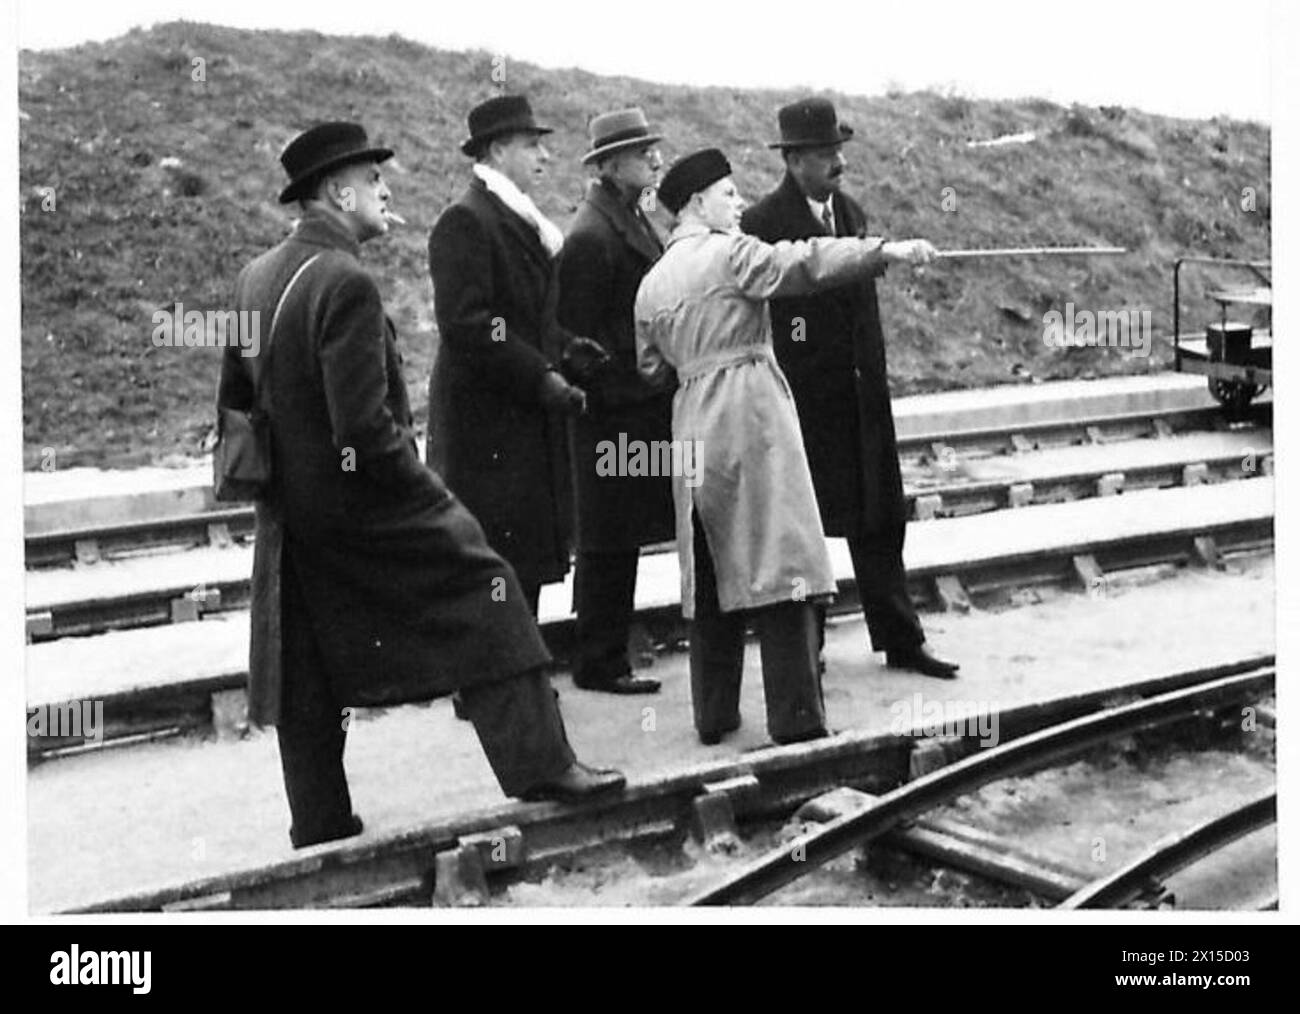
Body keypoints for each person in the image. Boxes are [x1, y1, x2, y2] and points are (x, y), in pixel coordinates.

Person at [218, 122, 624, 849]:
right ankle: (545, 766)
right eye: (375, 181)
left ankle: (320, 821)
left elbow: (237, 406)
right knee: (491, 588)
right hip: (362, 512)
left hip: (291, 516)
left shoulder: (256, 276)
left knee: (304, 667)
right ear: (338, 193)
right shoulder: (343, 282)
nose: (387, 191)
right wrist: (434, 500)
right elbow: (367, 433)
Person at [634, 148, 936, 747]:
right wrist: (882, 252)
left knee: (710, 559)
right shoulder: (731, 253)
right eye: (727, 194)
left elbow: (650, 369)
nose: (739, 203)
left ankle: (715, 716)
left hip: (691, 414)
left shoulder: (651, 283)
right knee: (785, 552)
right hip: (752, 406)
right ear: (697, 204)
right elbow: (801, 263)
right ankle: (797, 720)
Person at [741, 98, 958, 680]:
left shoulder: (853, 212)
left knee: (881, 520)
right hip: (805, 402)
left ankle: (900, 639)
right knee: (801, 531)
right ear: (792, 160)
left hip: (862, 398)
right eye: (823, 153)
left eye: (839, 150)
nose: (837, 161)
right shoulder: (760, 225)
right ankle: (803, 657)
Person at [428, 95, 601, 615]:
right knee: (500, 567)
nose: (544, 158)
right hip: (490, 429)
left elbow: (525, 317)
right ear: (498, 150)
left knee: (523, 563)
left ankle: (521, 687)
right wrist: (540, 374)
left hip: (519, 420)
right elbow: (470, 324)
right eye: (532, 147)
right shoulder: (467, 221)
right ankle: (500, 690)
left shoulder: (514, 218)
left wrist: (567, 347)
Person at [556, 108, 674, 695]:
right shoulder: (591, 236)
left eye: (651, 148)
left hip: (629, 408)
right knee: (607, 539)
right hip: (611, 415)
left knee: (616, 536)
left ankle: (604, 654)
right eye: (640, 151)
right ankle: (600, 661)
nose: (654, 158)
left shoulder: (625, 217)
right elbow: (575, 341)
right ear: (607, 165)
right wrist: (632, 384)